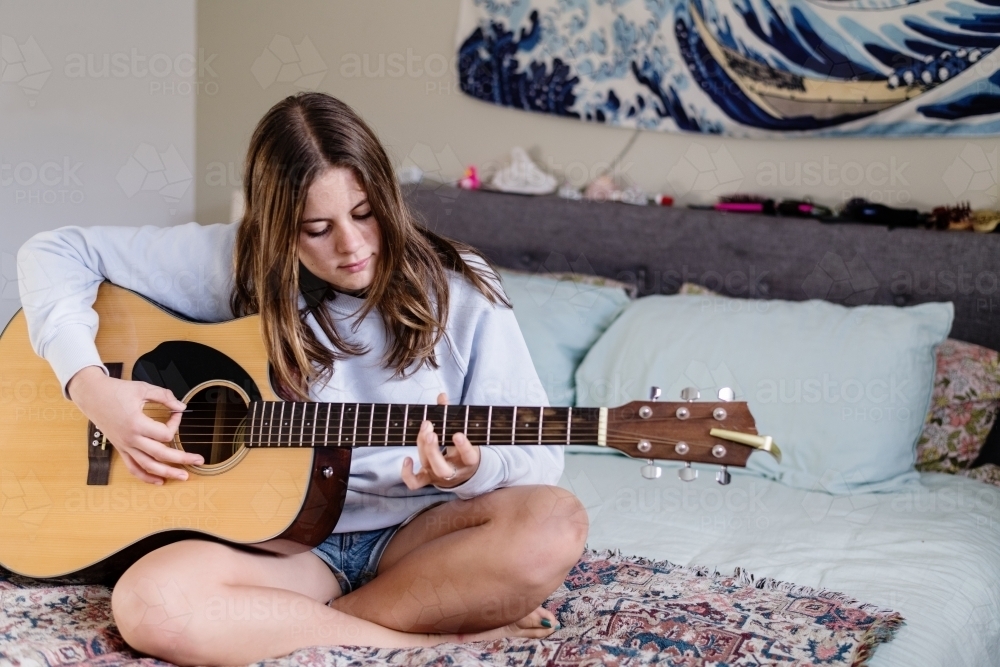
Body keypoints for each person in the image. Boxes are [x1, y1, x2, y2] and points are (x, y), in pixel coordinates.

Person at [17, 92, 589, 666]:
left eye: (364, 214)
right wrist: (91, 388)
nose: (352, 246)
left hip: (418, 540)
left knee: (554, 523)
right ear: (276, 229)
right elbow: (55, 252)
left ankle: (285, 626)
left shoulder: (460, 289)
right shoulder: (235, 261)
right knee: (147, 602)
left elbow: (537, 455)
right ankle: (420, 639)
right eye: (316, 229)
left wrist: (474, 467)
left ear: (386, 197)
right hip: (287, 552)